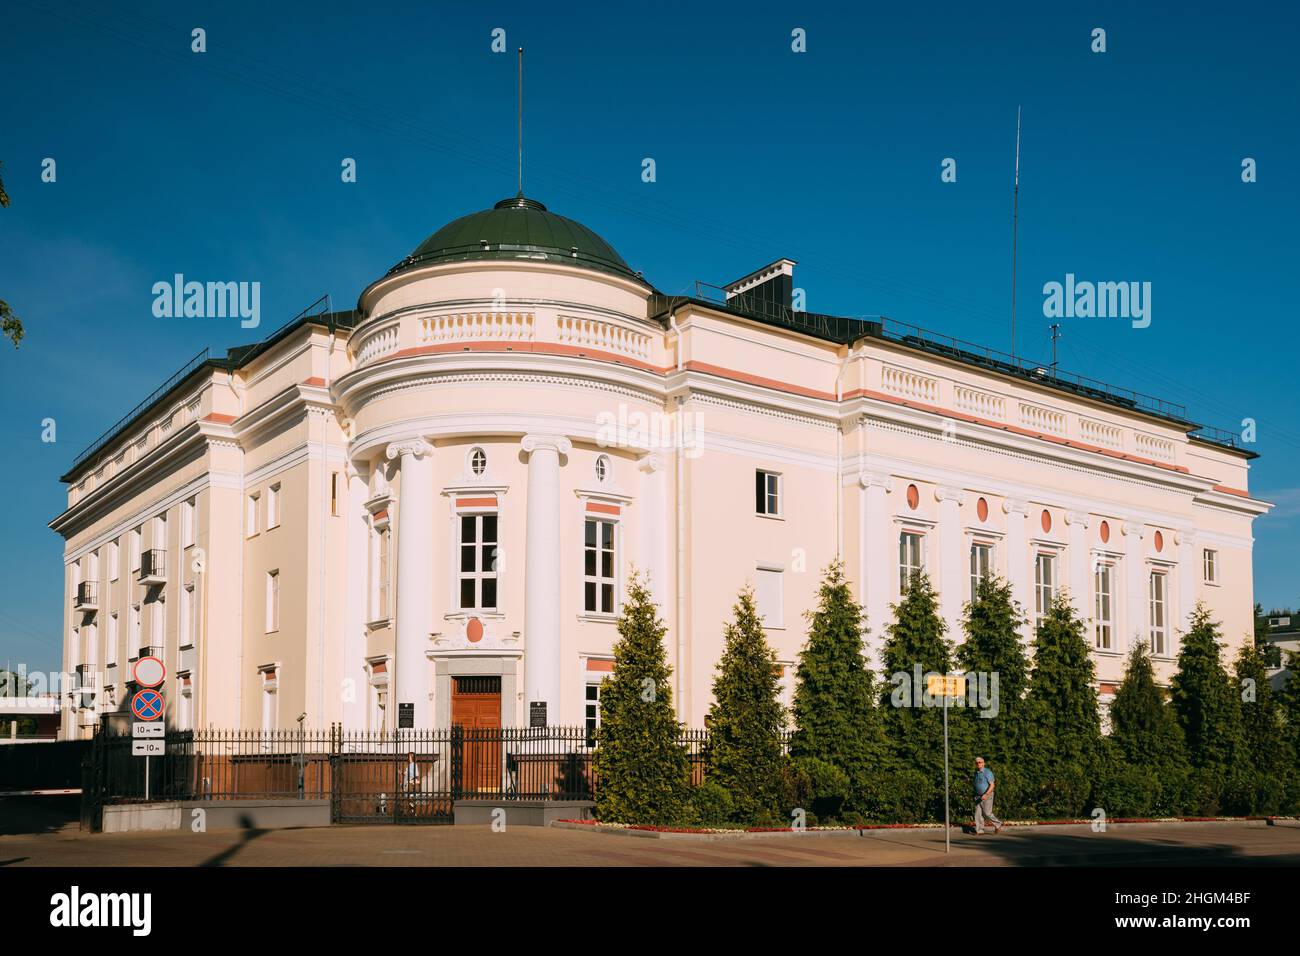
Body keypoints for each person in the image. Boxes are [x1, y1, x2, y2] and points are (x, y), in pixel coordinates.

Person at [973, 756, 1003, 834]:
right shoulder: (976, 773)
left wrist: (986, 794)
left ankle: (998, 824)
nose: (978, 764)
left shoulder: (987, 772)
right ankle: (980, 831)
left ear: (983, 763)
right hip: (978, 796)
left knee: (987, 813)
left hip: (987, 795)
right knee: (978, 814)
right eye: (976, 763)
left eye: (980, 762)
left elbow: (992, 785)